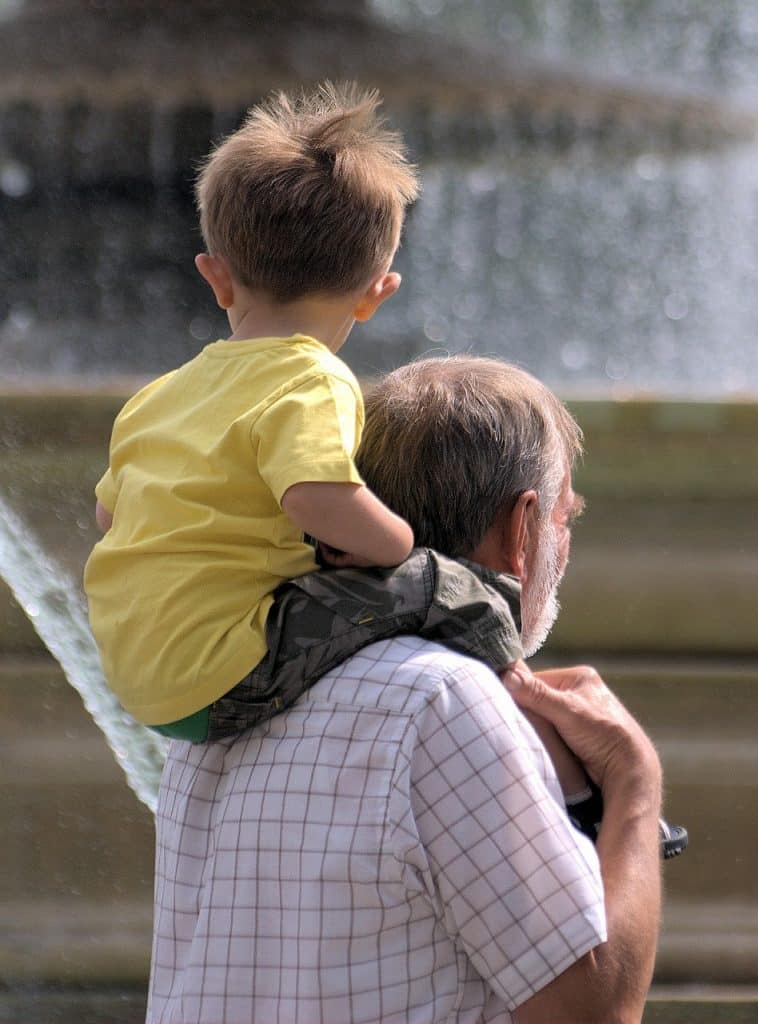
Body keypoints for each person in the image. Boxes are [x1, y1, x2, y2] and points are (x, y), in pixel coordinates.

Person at [147, 356, 664, 1024]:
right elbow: (591, 1010)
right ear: (522, 529)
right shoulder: (443, 703)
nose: (563, 546)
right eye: (565, 519)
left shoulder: (227, 692)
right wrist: (634, 783)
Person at [83, 82, 419, 741]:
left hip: (138, 682)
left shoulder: (161, 395)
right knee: (447, 590)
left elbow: (108, 517)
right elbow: (315, 496)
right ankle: (549, 759)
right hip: (229, 677)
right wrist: (399, 543)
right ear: (377, 294)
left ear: (216, 277)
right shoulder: (312, 377)